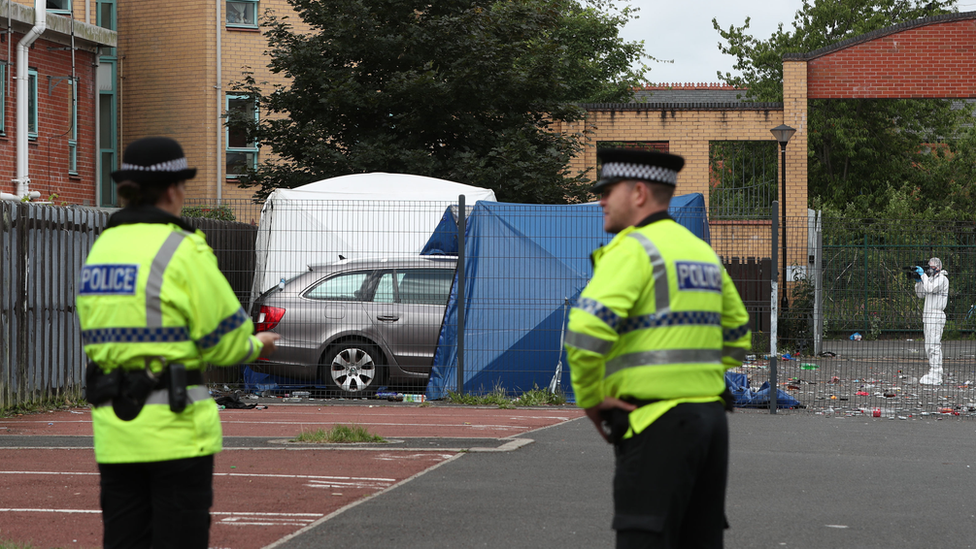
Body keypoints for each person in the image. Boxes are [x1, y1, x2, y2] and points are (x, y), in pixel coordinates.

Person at [76, 136, 280, 548]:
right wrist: (259, 345)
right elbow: (225, 343)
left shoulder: (101, 250)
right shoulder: (182, 249)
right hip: (175, 429)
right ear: (172, 188)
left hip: (116, 426)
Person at [564, 148, 751, 549]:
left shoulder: (633, 249)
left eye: (607, 190)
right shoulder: (701, 251)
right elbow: (737, 335)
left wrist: (594, 401)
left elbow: (584, 332)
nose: (600, 199)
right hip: (711, 423)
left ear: (638, 192)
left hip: (654, 423)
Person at [915, 257, 949, 385]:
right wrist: (919, 281)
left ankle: (937, 373)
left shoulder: (942, 279)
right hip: (928, 315)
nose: (930, 268)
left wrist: (923, 275)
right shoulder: (929, 279)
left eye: (932, 266)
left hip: (936, 314)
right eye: (928, 266)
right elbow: (920, 294)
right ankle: (933, 370)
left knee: (934, 345)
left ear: (938, 267)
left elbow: (930, 289)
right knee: (928, 345)